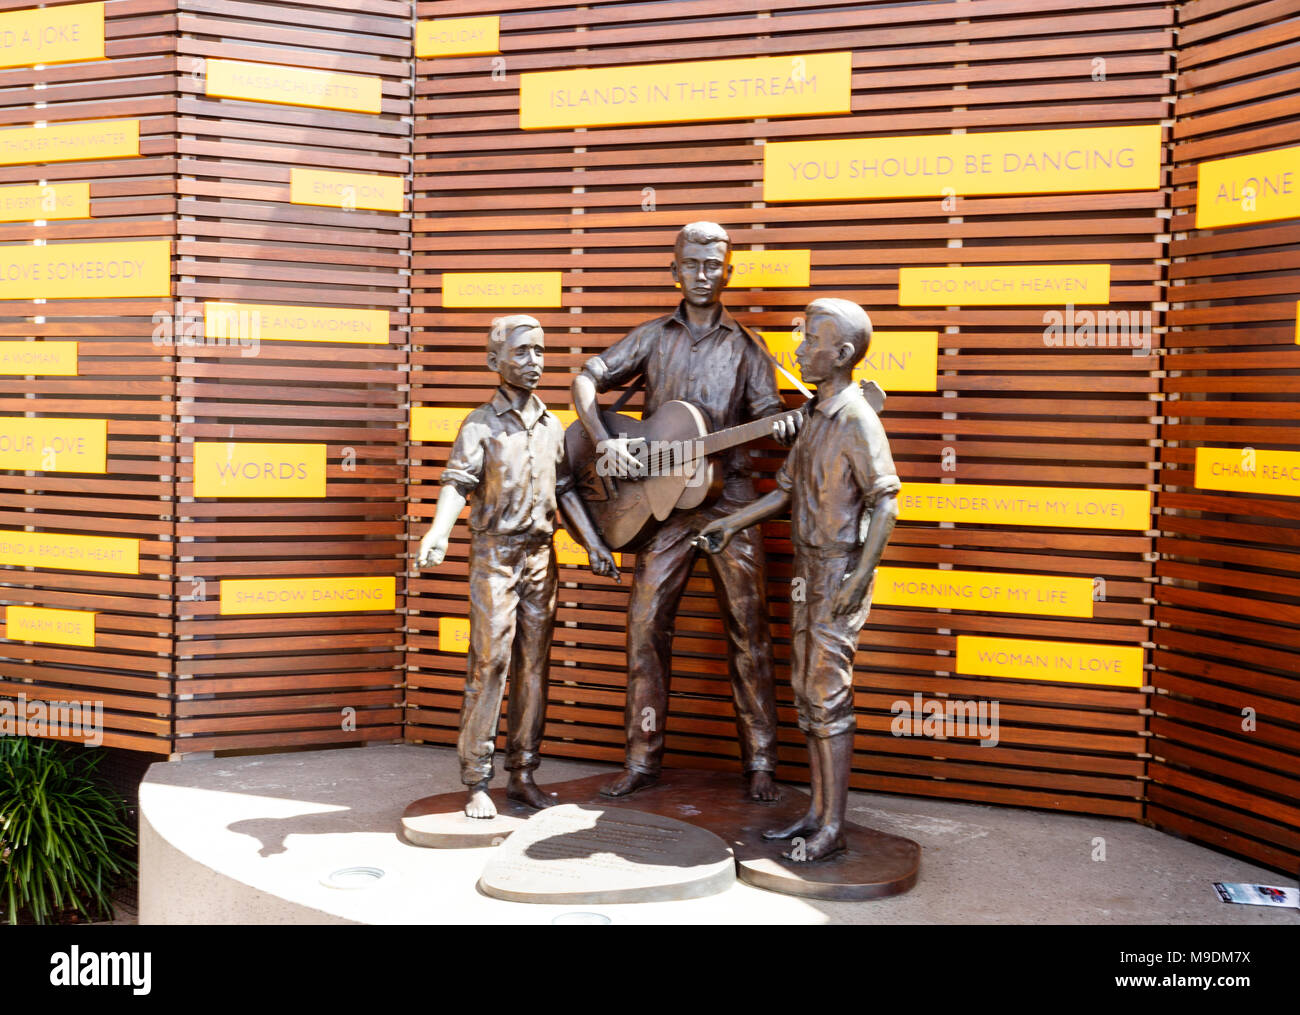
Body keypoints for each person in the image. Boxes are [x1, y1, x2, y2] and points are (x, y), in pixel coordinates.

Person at [571, 221, 801, 801]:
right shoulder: (651, 338)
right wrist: (604, 440)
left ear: (729, 271)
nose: (703, 274)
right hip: (663, 507)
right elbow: (585, 378)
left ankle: (761, 765)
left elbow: (770, 420)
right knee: (645, 628)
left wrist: (786, 427)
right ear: (674, 270)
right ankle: (642, 761)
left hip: (733, 505)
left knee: (749, 633)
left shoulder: (750, 347)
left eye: (714, 263)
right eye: (692, 263)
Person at [698, 299, 899, 860]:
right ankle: (815, 812)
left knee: (828, 698)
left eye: (810, 339)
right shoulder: (815, 415)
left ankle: (832, 826)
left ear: (841, 355)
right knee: (808, 698)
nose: (799, 347)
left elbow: (887, 504)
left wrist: (860, 580)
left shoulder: (858, 418)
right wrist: (728, 524)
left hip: (838, 572)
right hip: (811, 574)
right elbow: (786, 492)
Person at [418, 315, 619, 818]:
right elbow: (457, 482)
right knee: (490, 665)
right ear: (494, 361)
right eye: (523, 352)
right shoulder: (480, 424)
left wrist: (594, 544)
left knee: (534, 668)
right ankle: (476, 779)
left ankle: (524, 773)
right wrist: (438, 530)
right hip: (495, 556)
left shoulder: (554, 426)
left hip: (540, 557)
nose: (535, 362)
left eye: (540, 351)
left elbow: (566, 491)